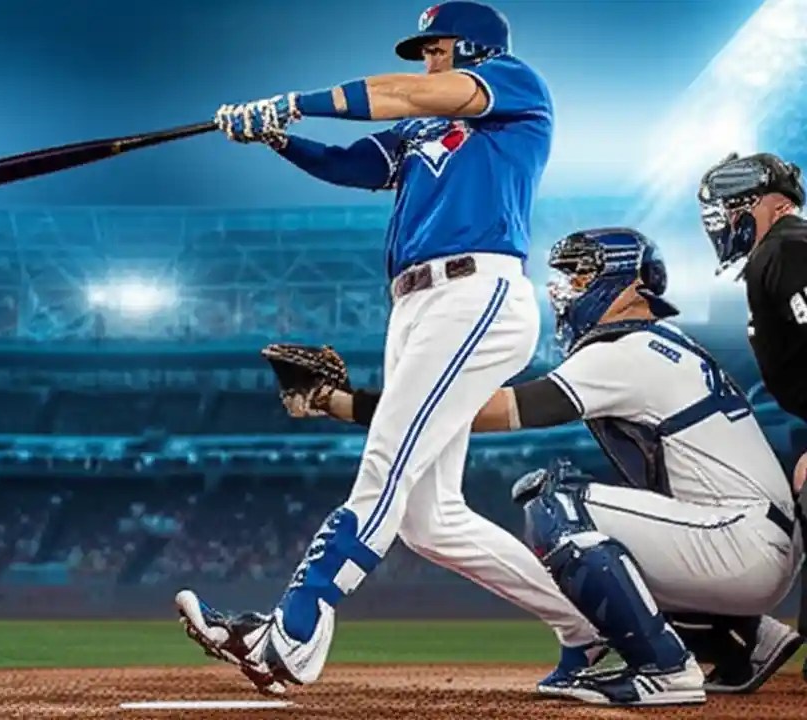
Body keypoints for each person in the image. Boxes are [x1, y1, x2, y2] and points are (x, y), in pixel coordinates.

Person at [175, 1, 605, 699]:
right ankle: (595, 630)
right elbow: (352, 165)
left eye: (436, 48)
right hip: (414, 305)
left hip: (476, 291)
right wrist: (279, 137)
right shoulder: (420, 129)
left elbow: (399, 92)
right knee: (431, 521)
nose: (426, 60)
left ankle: (292, 631)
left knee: (385, 461)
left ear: (472, 49)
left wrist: (290, 101)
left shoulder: (516, 84)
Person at [285, 228, 805, 705]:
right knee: (613, 563)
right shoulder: (659, 346)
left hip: (742, 543)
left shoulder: (626, 350)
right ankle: (747, 641)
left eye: (581, 273)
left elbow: (481, 411)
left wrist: (342, 402)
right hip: (753, 540)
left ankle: (665, 671)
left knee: (557, 504)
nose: (566, 288)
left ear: (627, 283)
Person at [698, 151, 807, 682]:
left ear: (764, 203)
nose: (721, 219)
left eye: (728, 205)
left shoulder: (790, 249)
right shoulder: (780, 252)